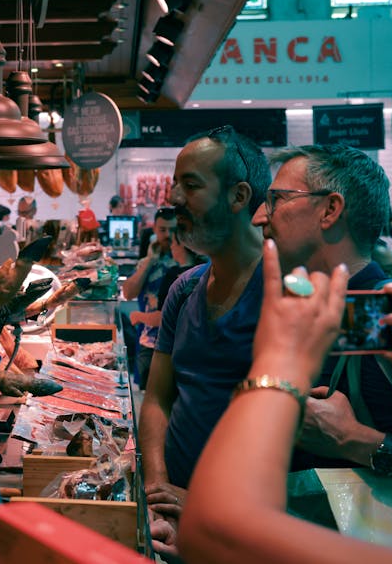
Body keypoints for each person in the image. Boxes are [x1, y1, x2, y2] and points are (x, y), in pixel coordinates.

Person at [178, 240, 392, 564]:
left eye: (276, 208)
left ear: (330, 214)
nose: (260, 216)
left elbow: (216, 533)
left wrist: (281, 365)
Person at [251, 144, 392, 472]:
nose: (260, 216)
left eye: (278, 198)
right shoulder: (313, 311)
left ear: (330, 210)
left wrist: (354, 440)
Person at [139, 125, 271, 556]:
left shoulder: (287, 293)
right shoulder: (185, 289)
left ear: (239, 196)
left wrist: (209, 508)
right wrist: (157, 489)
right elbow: (157, 399)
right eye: (174, 183)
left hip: (250, 534)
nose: (173, 197)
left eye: (191, 185)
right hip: (174, 519)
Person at [129, 225, 204, 388]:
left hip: (161, 347)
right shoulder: (206, 273)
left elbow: (162, 317)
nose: (171, 245)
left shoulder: (175, 275)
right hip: (191, 352)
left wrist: (138, 316)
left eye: (174, 242)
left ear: (182, 244)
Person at [122, 206, 177, 387]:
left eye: (172, 230)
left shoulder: (186, 261)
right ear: (154, 229)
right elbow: (128, 293)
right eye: (163, 230)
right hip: (150, 341)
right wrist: (149, 261)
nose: (168, 235)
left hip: (178, 343)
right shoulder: (148, 261)